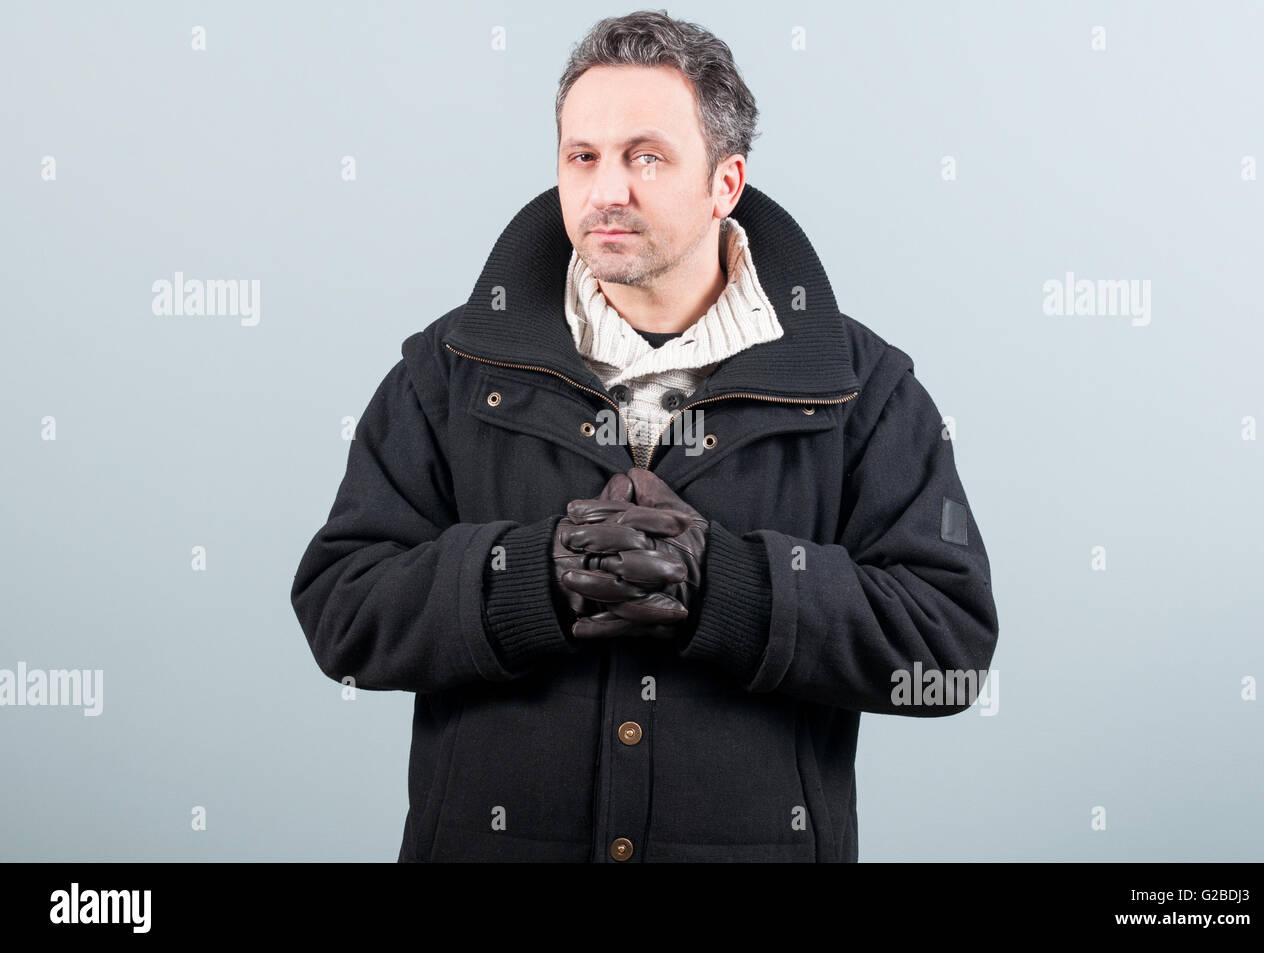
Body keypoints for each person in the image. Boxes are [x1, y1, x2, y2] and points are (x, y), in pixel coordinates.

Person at [290, 10, 999, 863]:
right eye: (582, 156)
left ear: (725, 183)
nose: (606, 190)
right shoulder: (447, 369)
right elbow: (341, 609)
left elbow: (948, 645)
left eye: (646, 157)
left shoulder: (860, 387)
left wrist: (736, 590)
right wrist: (528, 580)